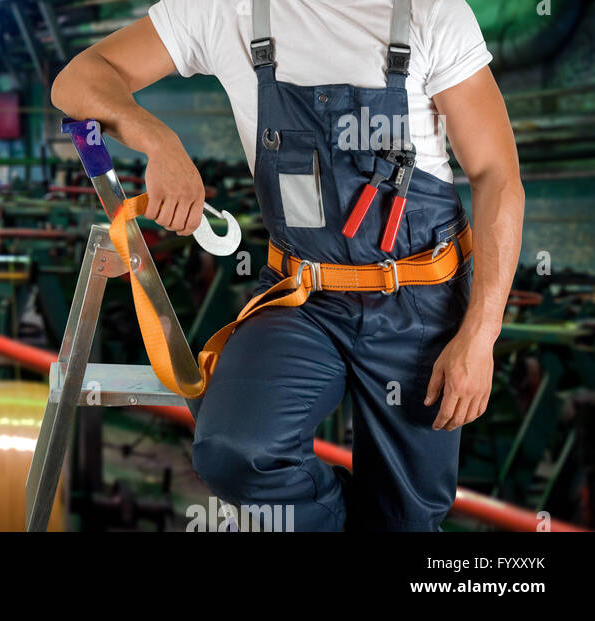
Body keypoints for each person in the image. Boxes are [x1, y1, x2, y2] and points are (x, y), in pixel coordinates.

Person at [51, 0, 523, 531]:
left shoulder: (429, 12)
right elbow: (79, 79)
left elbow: (497, 176)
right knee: (236, 449)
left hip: (420, 303)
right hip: (302, 297)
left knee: (408, 518)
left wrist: (480, 336)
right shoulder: (225, 11)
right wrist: (160, 143)